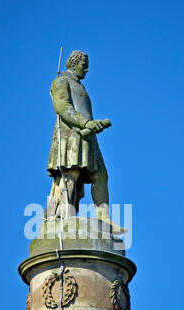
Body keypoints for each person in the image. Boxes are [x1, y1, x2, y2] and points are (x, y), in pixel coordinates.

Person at [45, 50, 125, 234]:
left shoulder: (80, 86)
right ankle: (66, 216)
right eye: (84, 65)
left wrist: (90, 126)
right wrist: (85, 123)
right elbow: (63, 108)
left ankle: (105, 219)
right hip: (70, 134)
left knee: (101, 175)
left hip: (88, 137)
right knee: (71, 173)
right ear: (73, 64)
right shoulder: (61, 82)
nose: (87, 69)